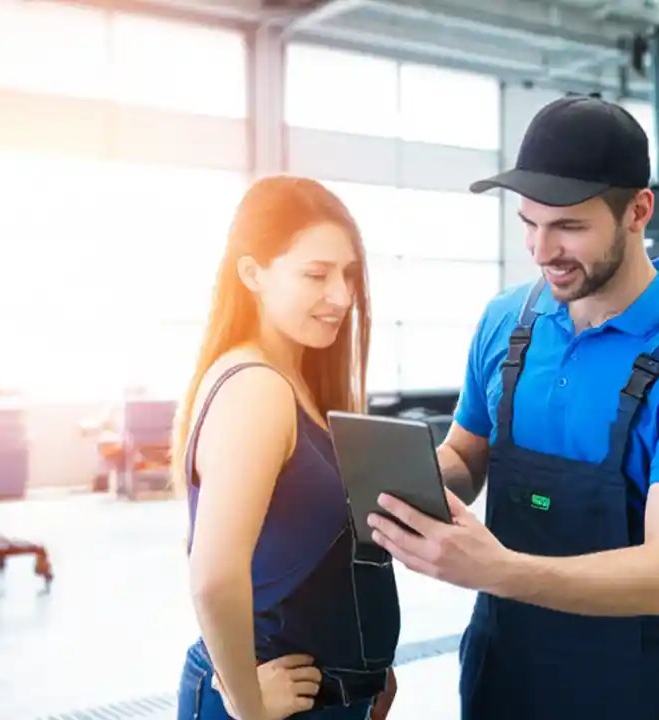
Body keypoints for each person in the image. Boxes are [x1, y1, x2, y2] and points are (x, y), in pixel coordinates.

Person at [366, 95, 659, 719]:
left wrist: (495, 569)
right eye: (528, 223)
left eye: (569, 226)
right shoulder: (506, 321)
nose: (542, 251)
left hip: (631, 679)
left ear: (638, 211)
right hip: (504, 662)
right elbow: (468, 452)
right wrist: (399, 483)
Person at [171, 175, 399, 720]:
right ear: (252, 273)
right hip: (275, 699)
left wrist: (367, 672)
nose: (342, 296)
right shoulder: (256, 388)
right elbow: (213, 576)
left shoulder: (295, 380)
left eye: (348, 275)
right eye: (316, 275)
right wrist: (248, 706)